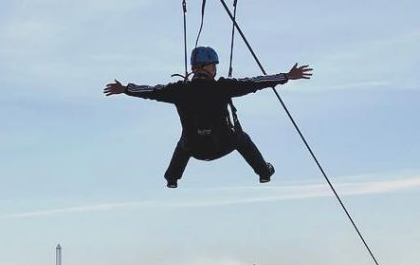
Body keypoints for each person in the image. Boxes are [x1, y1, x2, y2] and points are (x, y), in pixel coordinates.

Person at [103, 46, 313, 188]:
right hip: (223, 144)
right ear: (207, 66)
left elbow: (151, 91)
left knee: (184, 141)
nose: (215, 69)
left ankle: (172, 178)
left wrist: (125, 89)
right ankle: (264, 172)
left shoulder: (179, 90)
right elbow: (255, 82)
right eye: (214, 65)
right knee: (242, 138)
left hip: (195, 149)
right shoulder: (223, 87)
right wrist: (286, 76)